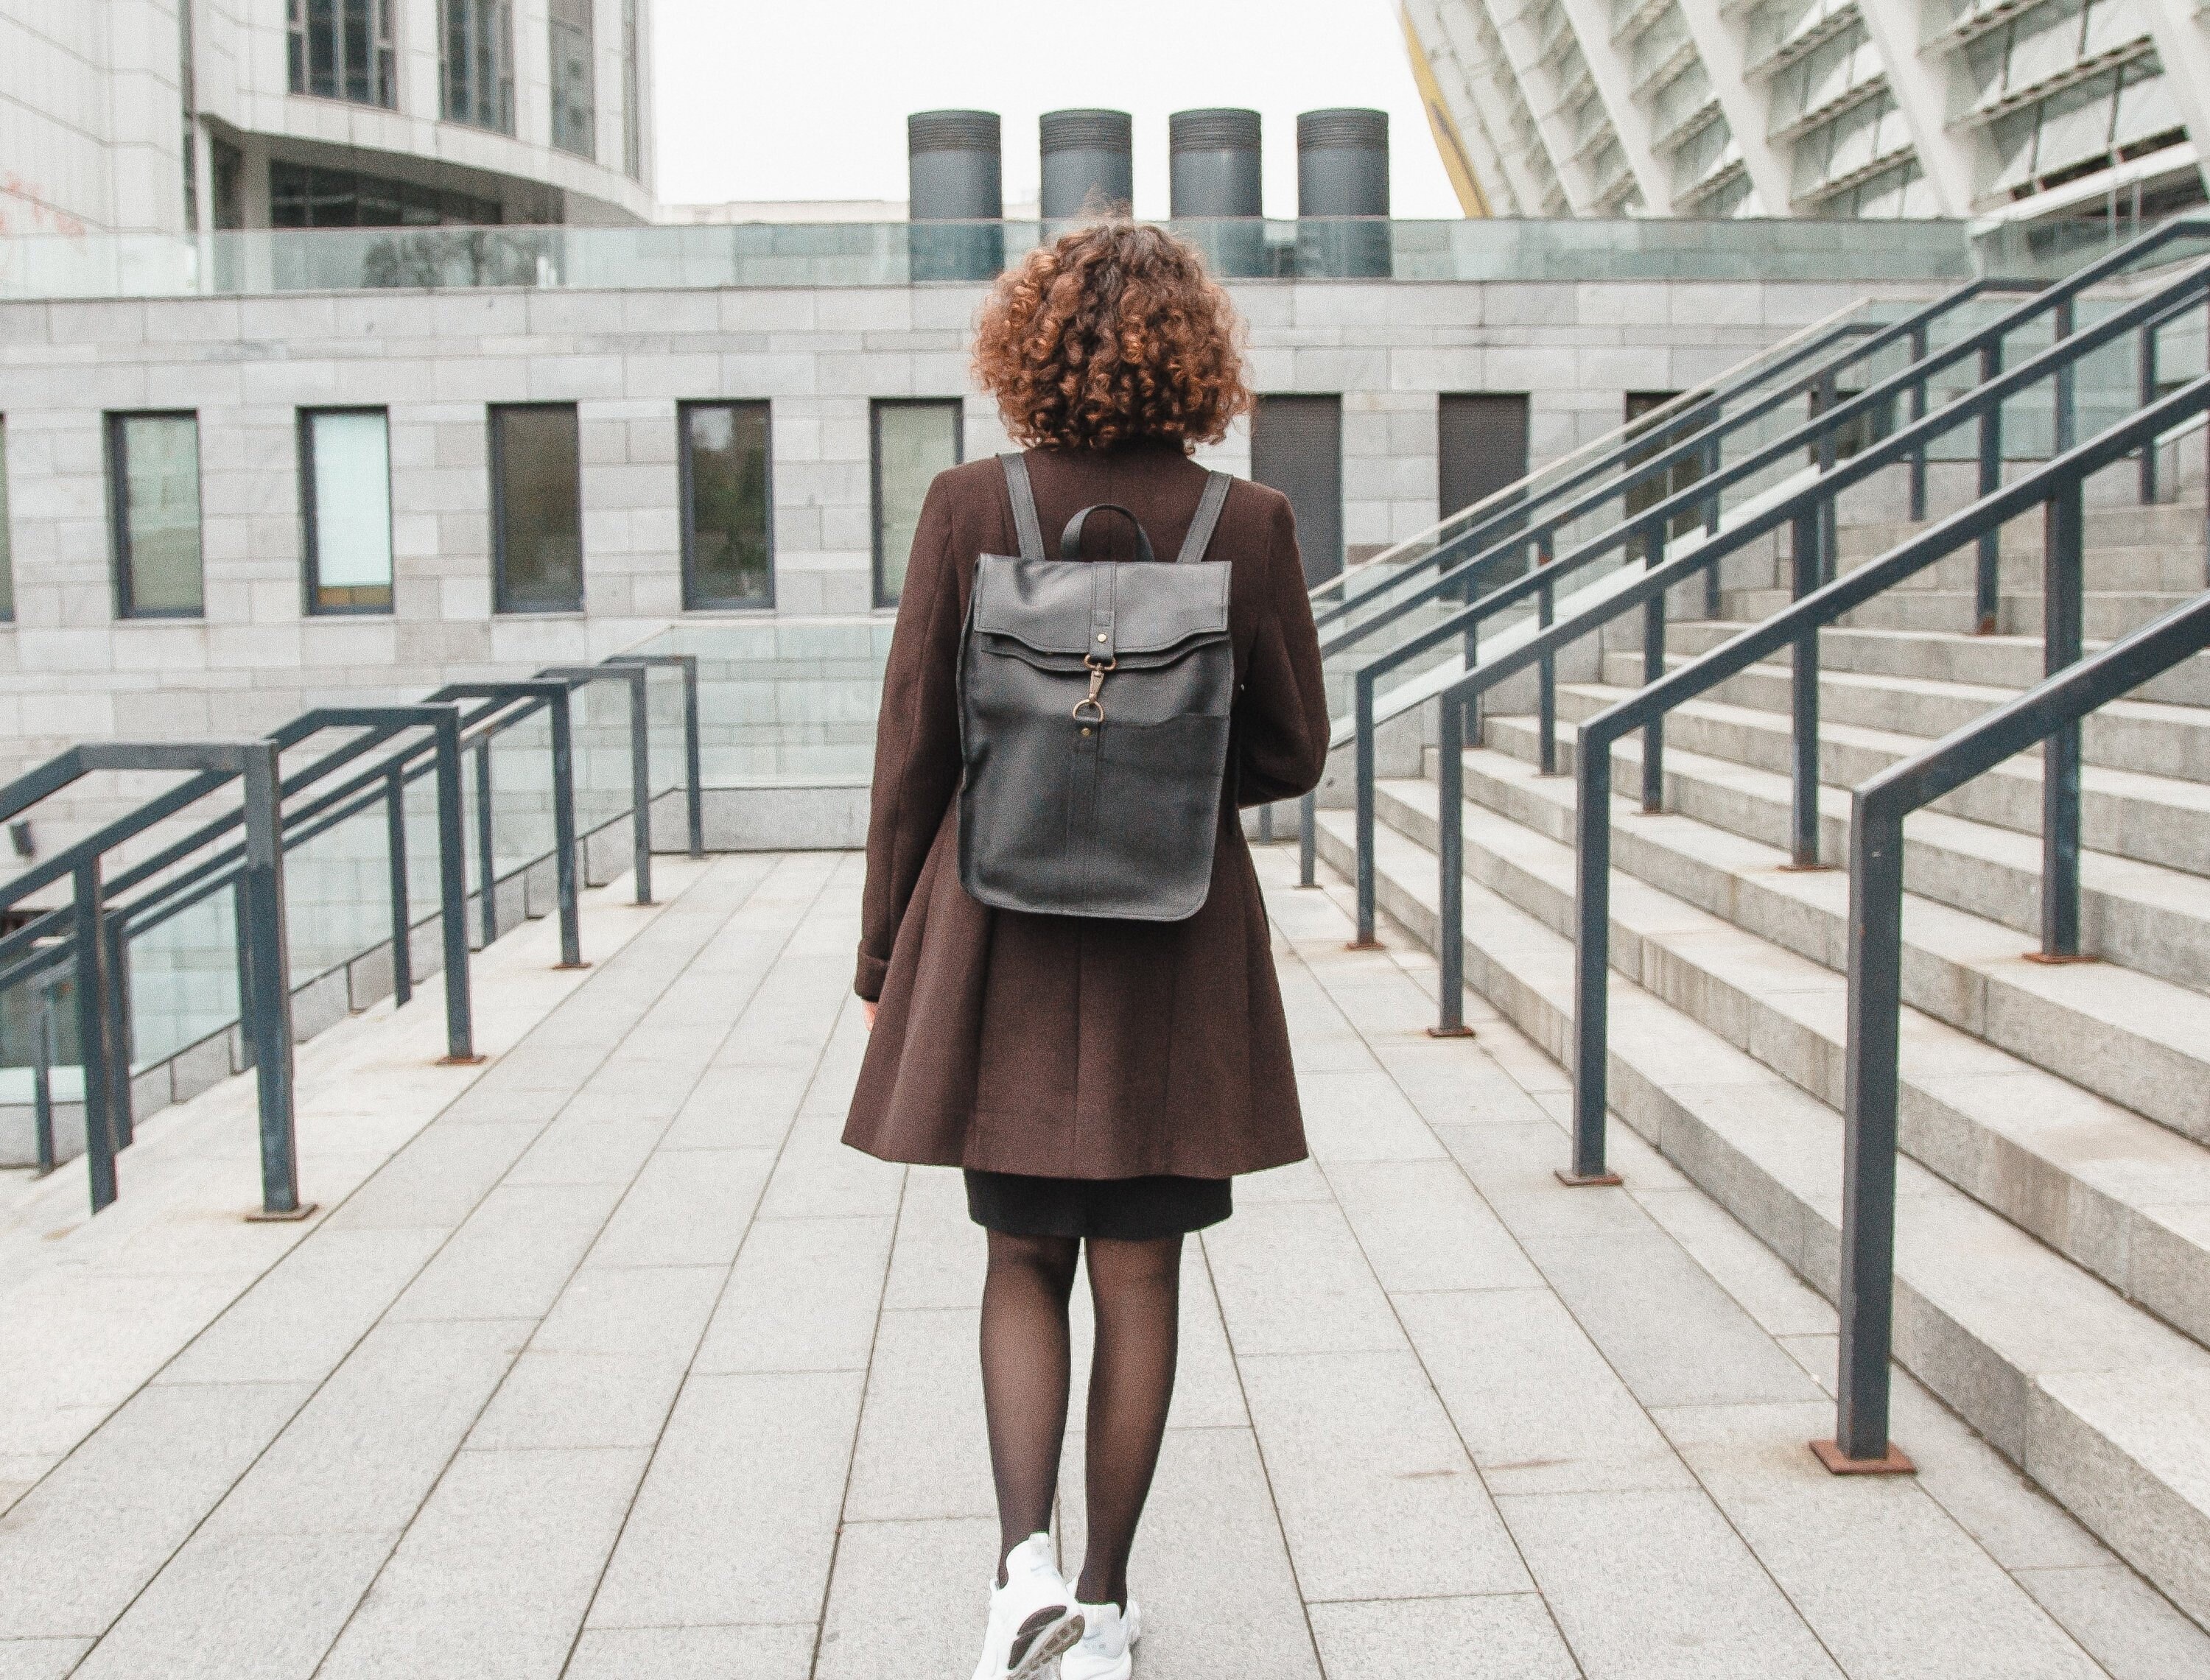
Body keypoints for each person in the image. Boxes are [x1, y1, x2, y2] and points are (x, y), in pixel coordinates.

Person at [843, 219, 1329, 1680]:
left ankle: (1019, 1573)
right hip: (1173, 947)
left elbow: (912, 755)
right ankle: (1105, 1610)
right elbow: (1296, 749)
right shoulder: (1246, 526)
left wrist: (885, 965)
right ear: (1197, 357)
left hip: (997, 933)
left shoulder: (963, 506)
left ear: (1029, 347)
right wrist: (1164, 779)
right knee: (1142, 1271)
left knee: (1019, 1255)